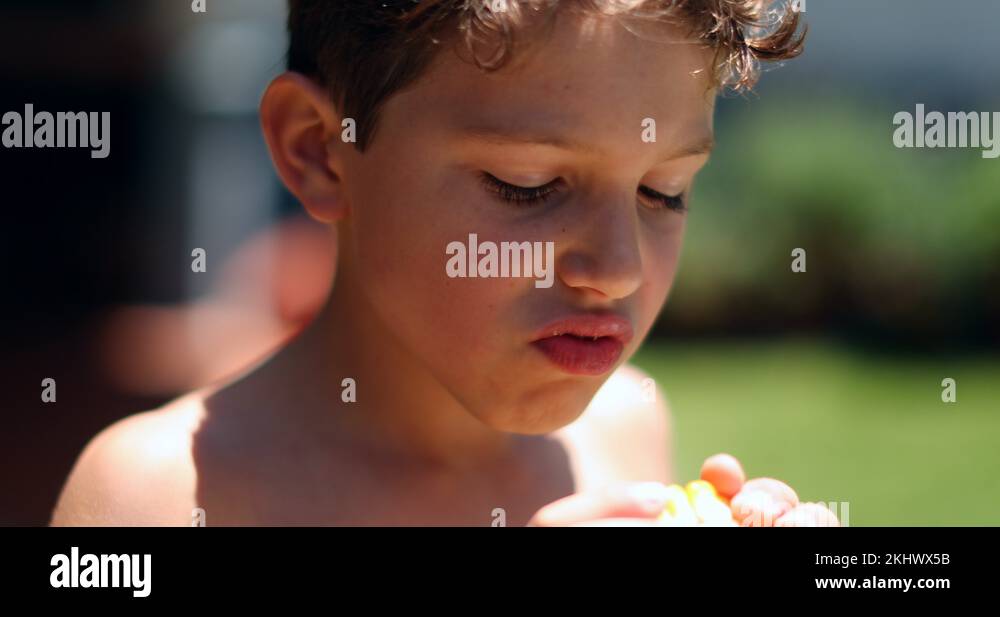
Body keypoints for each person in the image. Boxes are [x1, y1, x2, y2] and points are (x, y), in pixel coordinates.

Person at [51, 0, 838, 526]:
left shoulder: (626, 430)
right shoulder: (150, 496)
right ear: (320, 151)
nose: (618, 268)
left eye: (664, 191)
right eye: (526, 185)